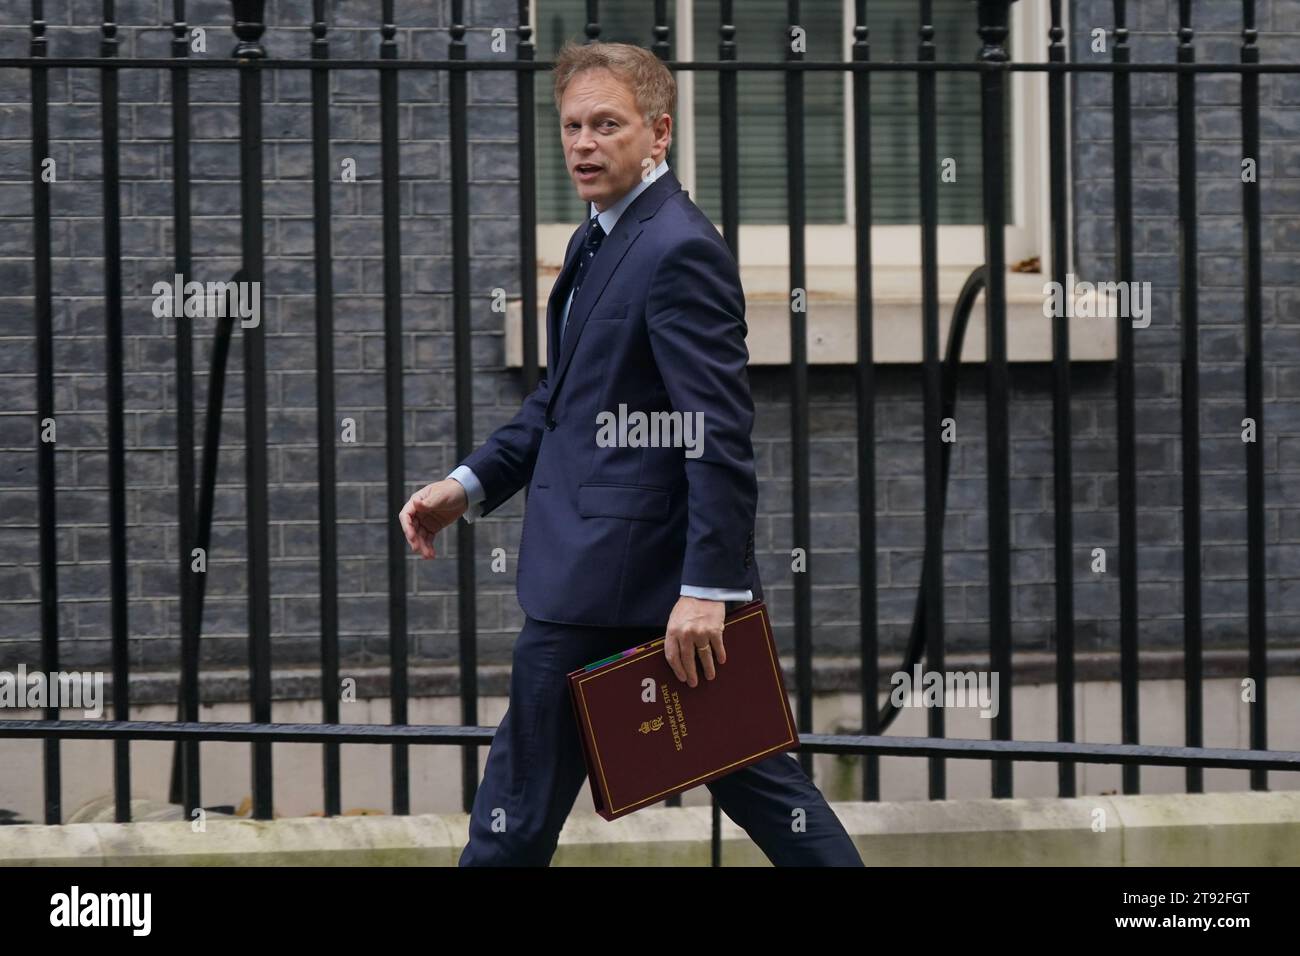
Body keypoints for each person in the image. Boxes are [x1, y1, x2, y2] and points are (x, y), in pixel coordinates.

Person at [399, 40, 862, 867]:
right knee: (731, 785)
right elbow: (562, 401)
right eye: (572, 125)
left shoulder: (675, 247)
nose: (583, 143)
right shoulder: (598, 239)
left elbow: (716, 430)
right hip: (605, 581)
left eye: (605, 124)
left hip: (635, 588)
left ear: (658, 133)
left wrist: (708, 590)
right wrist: (467, 486)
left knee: (524, 804)